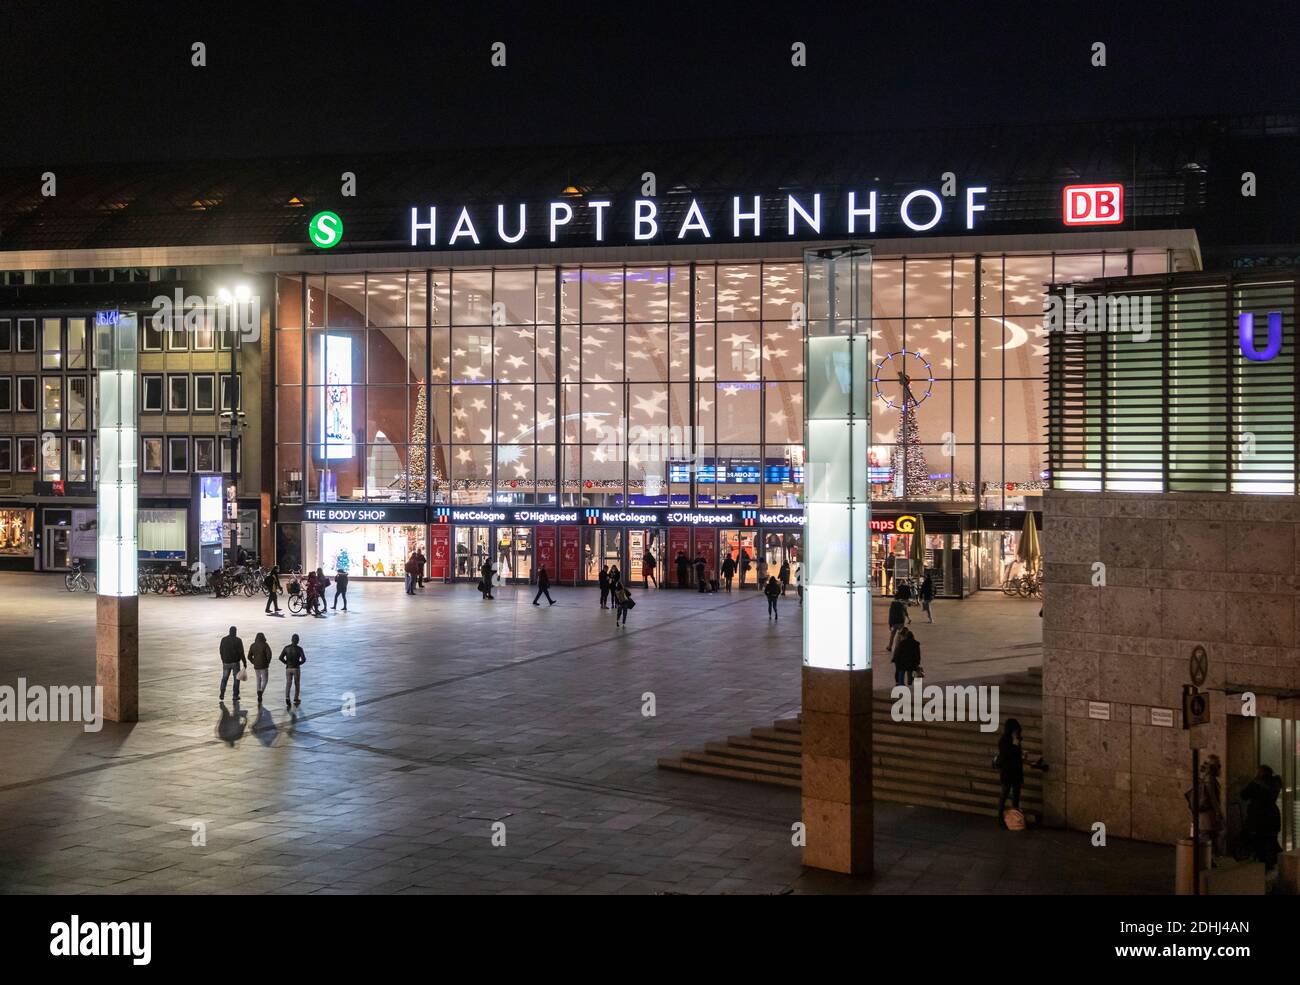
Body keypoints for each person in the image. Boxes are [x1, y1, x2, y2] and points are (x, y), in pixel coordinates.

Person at [1240, 766, 1283, 870]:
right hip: (1273, 816)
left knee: (1260, 843)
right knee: (1272, 841)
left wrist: (1253, 781)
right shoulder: (1275, 782)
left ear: (1260, 773)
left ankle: (1265, 864)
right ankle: (1278, 861)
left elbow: (1243, 795)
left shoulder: (1256, 784)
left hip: (1259, 818)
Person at [1188, 754, 1226, 858]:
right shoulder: (1210, 779)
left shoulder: (1204, 777)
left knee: (1208, 836)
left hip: (1204, 814)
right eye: (1218, 765)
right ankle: (1208, 858)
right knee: (1210, 836)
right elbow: (1213, 798)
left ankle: (1209, 858)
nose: (1220, 768)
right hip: (1208, 815)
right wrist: (1219, 812)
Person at [996, 719, 1027, 827]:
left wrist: (1022, 754)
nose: (1016, 733)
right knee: (1004, 793)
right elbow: (1006, 756)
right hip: (1007, 772)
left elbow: (1016, 756)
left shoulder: (1017, 740)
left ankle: (1014, 817)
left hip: (1016, 772)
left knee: (1016, 795)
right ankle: (1000, 817)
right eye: (1014, 731)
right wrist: (1014, 745)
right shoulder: (1003, 741)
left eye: (1017, 731)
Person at [218, 626, 247, 702]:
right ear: (235, 631)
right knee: (236, 679)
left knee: (224, 678)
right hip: (235, 662)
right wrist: (244, 662)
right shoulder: (238, 640)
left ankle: (222, 692)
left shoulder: (224, 639)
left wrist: (223, 660)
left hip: (226, 662)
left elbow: (220, 650)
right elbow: (241, 652)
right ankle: (235, 695)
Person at [278, 632, 306, 708]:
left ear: (291, 640)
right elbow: (304, 659)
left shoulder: (286, 648)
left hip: (288, 668)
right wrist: (298, 663)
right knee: (297, 684)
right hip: (296, 668)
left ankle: (287, 697)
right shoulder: (299, 649)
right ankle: (296, 698)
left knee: (288, 683)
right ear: (298, 641)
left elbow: (280, 657)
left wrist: (286, 663)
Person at [247, 631, 273, 705]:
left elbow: (249, 656)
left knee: (258, 679)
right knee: (265, 680)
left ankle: (259, 691)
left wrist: (253, 662)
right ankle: (261, 692)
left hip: (256, 666)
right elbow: (269, 655)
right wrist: (267, 662)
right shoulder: (265, 645)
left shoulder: (253, 645)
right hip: (264, 666)